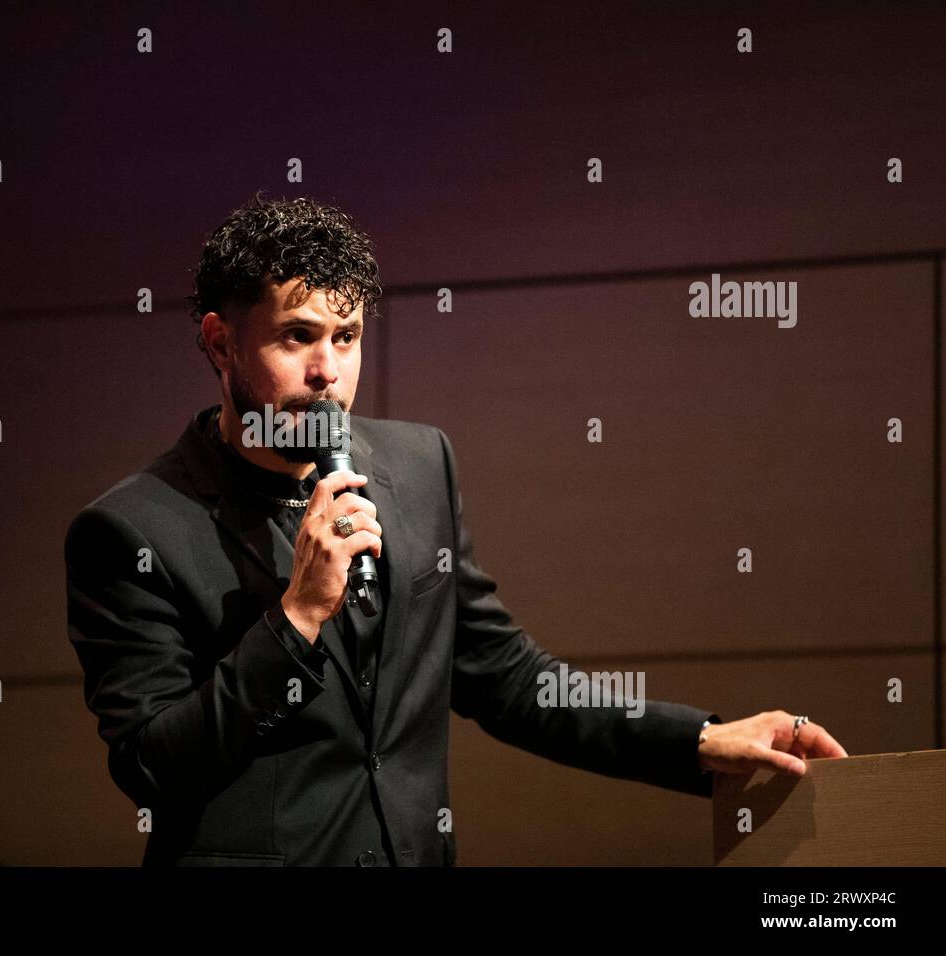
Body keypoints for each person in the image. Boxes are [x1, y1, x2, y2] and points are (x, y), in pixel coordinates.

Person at [63, 191, 848, 866]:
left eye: (347, 337)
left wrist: (698, 741)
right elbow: (150, 766)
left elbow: (506, 676)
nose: (329, 372)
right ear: (219, 343)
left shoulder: (417, 464)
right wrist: (295, 618)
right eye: (297, 337)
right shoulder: (132, 530)